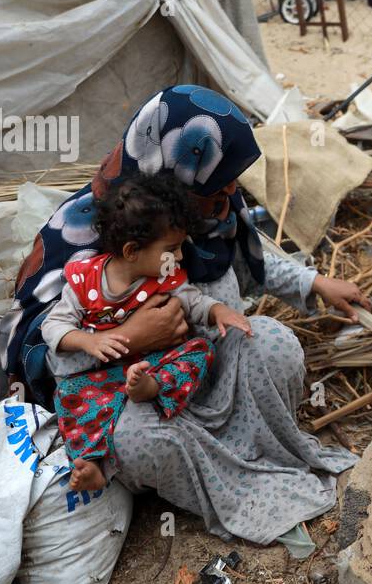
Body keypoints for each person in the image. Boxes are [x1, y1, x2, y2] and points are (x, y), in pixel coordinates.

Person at [0, 85, 372, 546]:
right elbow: (35, 348)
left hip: (202, 369)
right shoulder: (89, 234)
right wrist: (131, 337)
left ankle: (265, 453)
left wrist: (315, 283)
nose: (232, 191)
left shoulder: (207, 201)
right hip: (134, 397)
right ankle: (226, 486)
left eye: (231, 178)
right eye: (222, 181)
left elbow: (248, 259)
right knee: (137, 442)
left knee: (272, 343)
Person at [42, 173, 252, 493]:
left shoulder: (165, 276)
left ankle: (154, 388)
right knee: (70, 395)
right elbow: (53, 326)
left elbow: (193, 300)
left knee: (199, 350)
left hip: (157, 363)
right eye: (173, 248)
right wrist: (88, 340)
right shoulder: (85, 282)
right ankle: (93, 464)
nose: (180, 257)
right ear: (131, 251)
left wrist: (217, 311)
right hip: (109, 377)